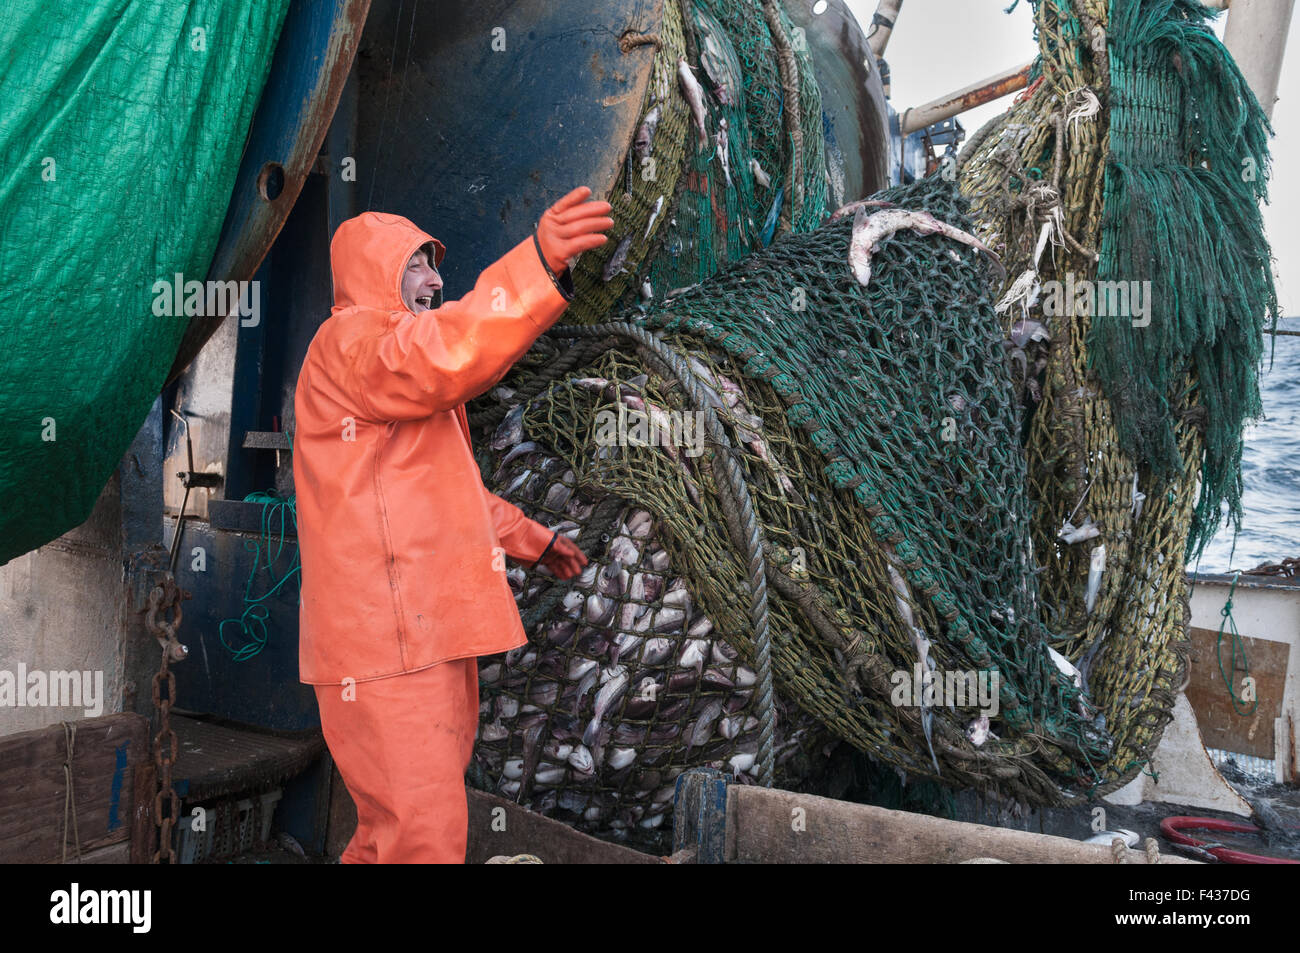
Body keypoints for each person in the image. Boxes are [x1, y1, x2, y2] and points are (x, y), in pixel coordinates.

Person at [293, 187, 613, 863]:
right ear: (371, 274)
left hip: (419, 638)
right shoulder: (353, 344)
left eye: (433, 264)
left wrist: (535, 540)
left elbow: (450, 492)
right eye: (414, 263)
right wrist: (537, 265)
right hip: (388, 645)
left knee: (395, 833)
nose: (436, 278)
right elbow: (451, 352)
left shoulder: (389, 374)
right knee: (423, 837)